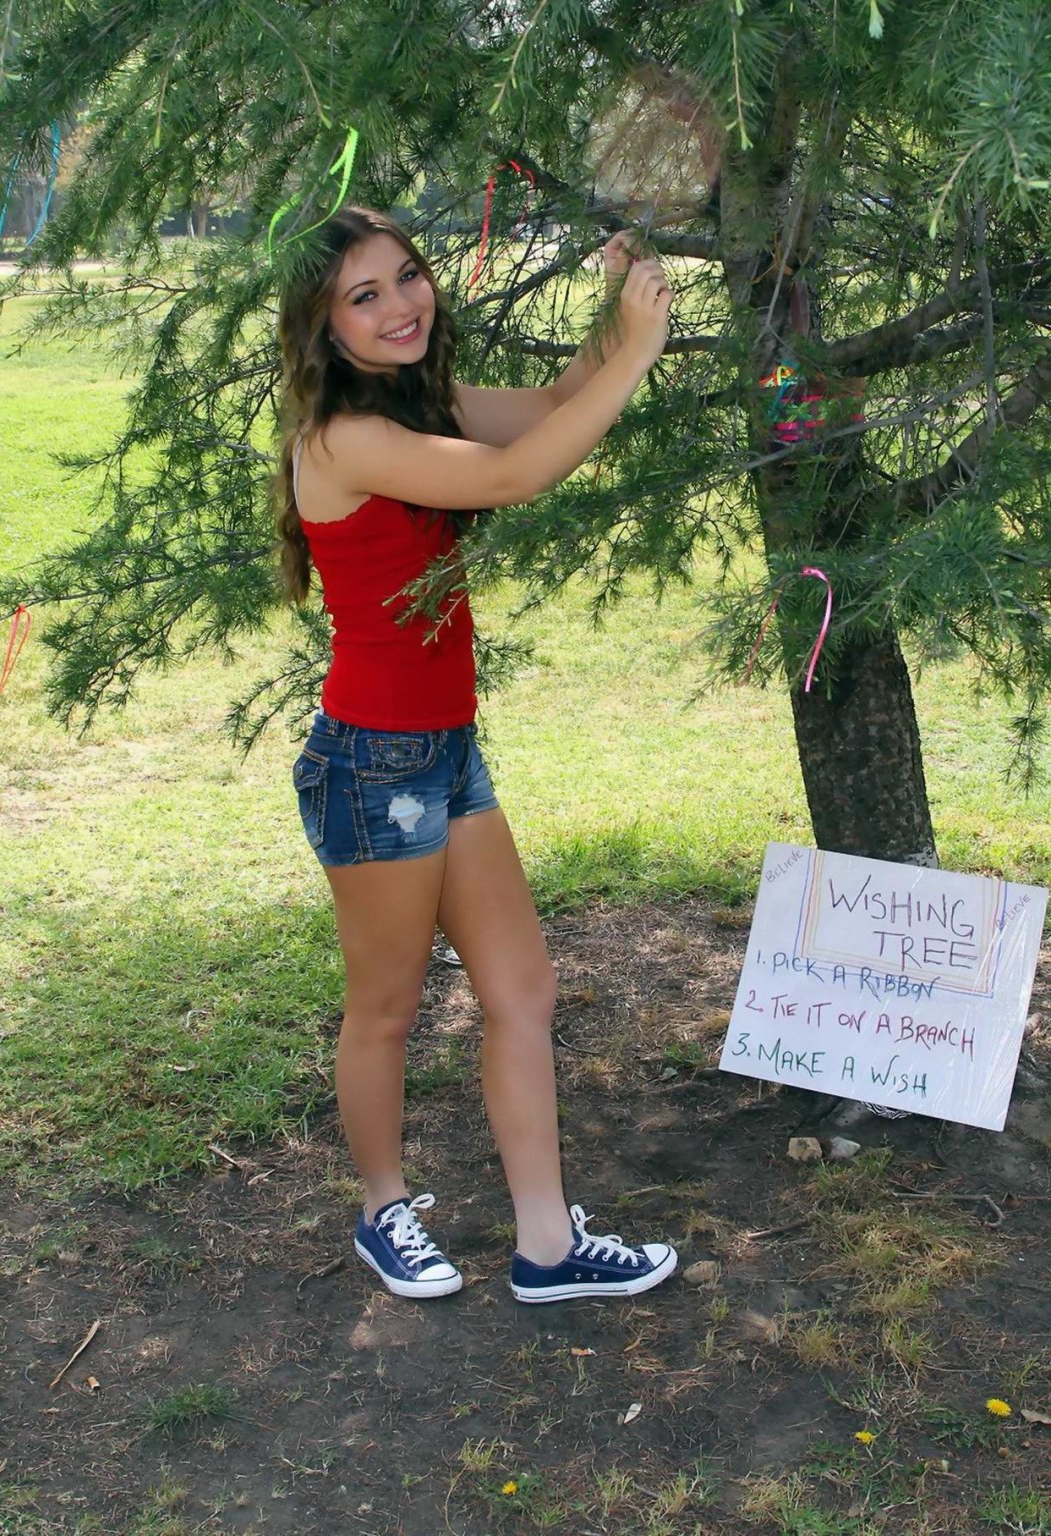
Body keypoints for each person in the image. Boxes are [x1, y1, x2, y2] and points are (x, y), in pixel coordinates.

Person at [276, 206, 677, 1304]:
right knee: (387, 1009)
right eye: (364, 296)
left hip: (443, 753)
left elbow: (550, 409)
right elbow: (513, 477)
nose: (401, 304)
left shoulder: (419, 405)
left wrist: (618, 308)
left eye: (407, 277)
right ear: (322, 326)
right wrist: (636, 354)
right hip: (373, 763)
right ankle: (381, 1210)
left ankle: (547, 1246)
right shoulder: (344, 439)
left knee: (523, 988)